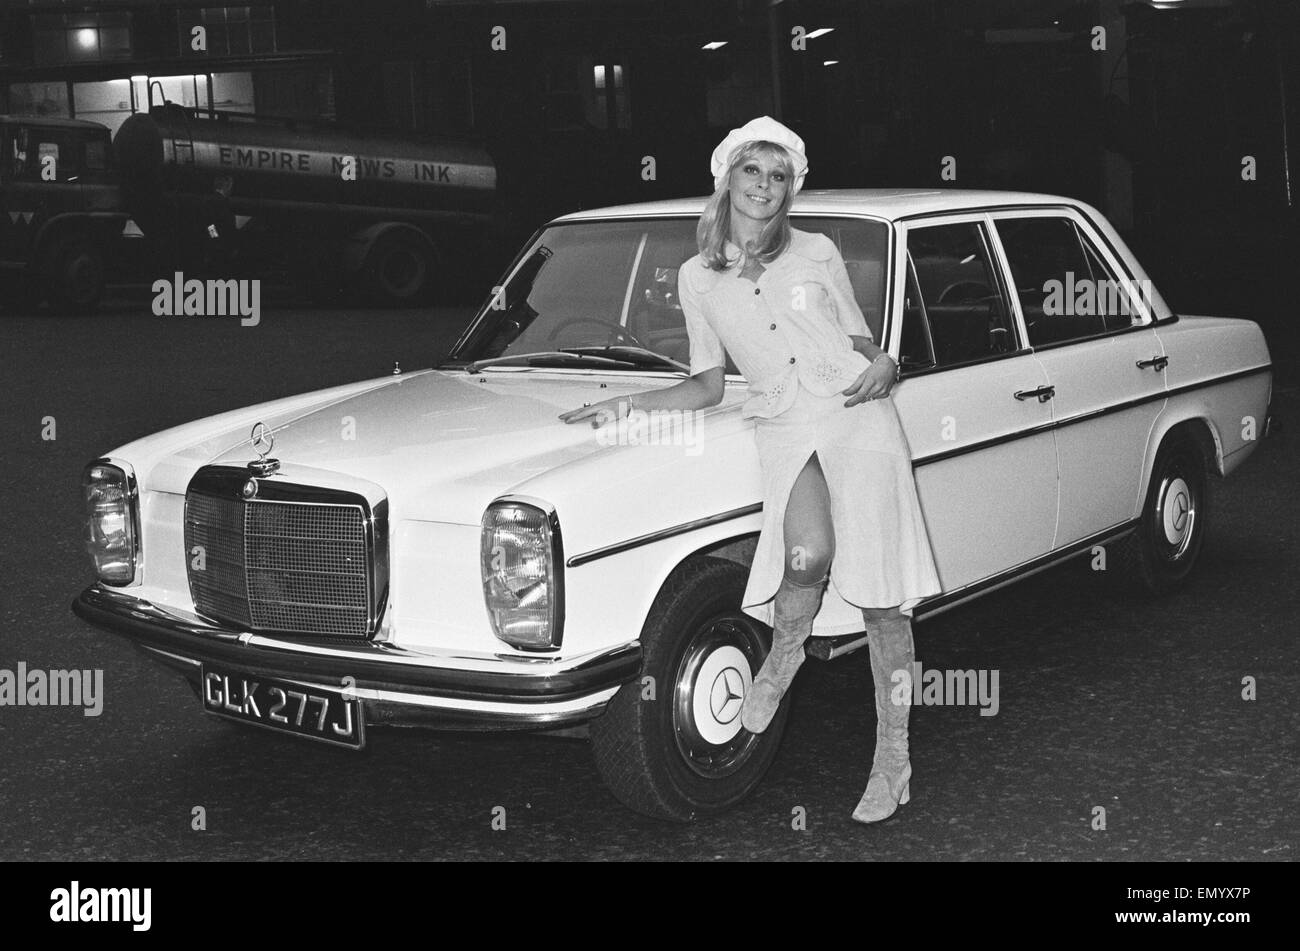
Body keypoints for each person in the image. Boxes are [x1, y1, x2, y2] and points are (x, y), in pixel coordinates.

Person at [560, 116, 942, 823]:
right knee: (808, 554)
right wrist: (627, 406)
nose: (765, 185)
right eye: (752, 170)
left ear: (791, 187)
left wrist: (888, 361)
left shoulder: (819, 251)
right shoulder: (698, 278)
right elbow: (707, 383)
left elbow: (860, 339)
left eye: (778, 175)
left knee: (883, 601)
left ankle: (894, 759)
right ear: (727, 178)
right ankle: (787, 650)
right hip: (784, 423)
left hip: (859, 415)